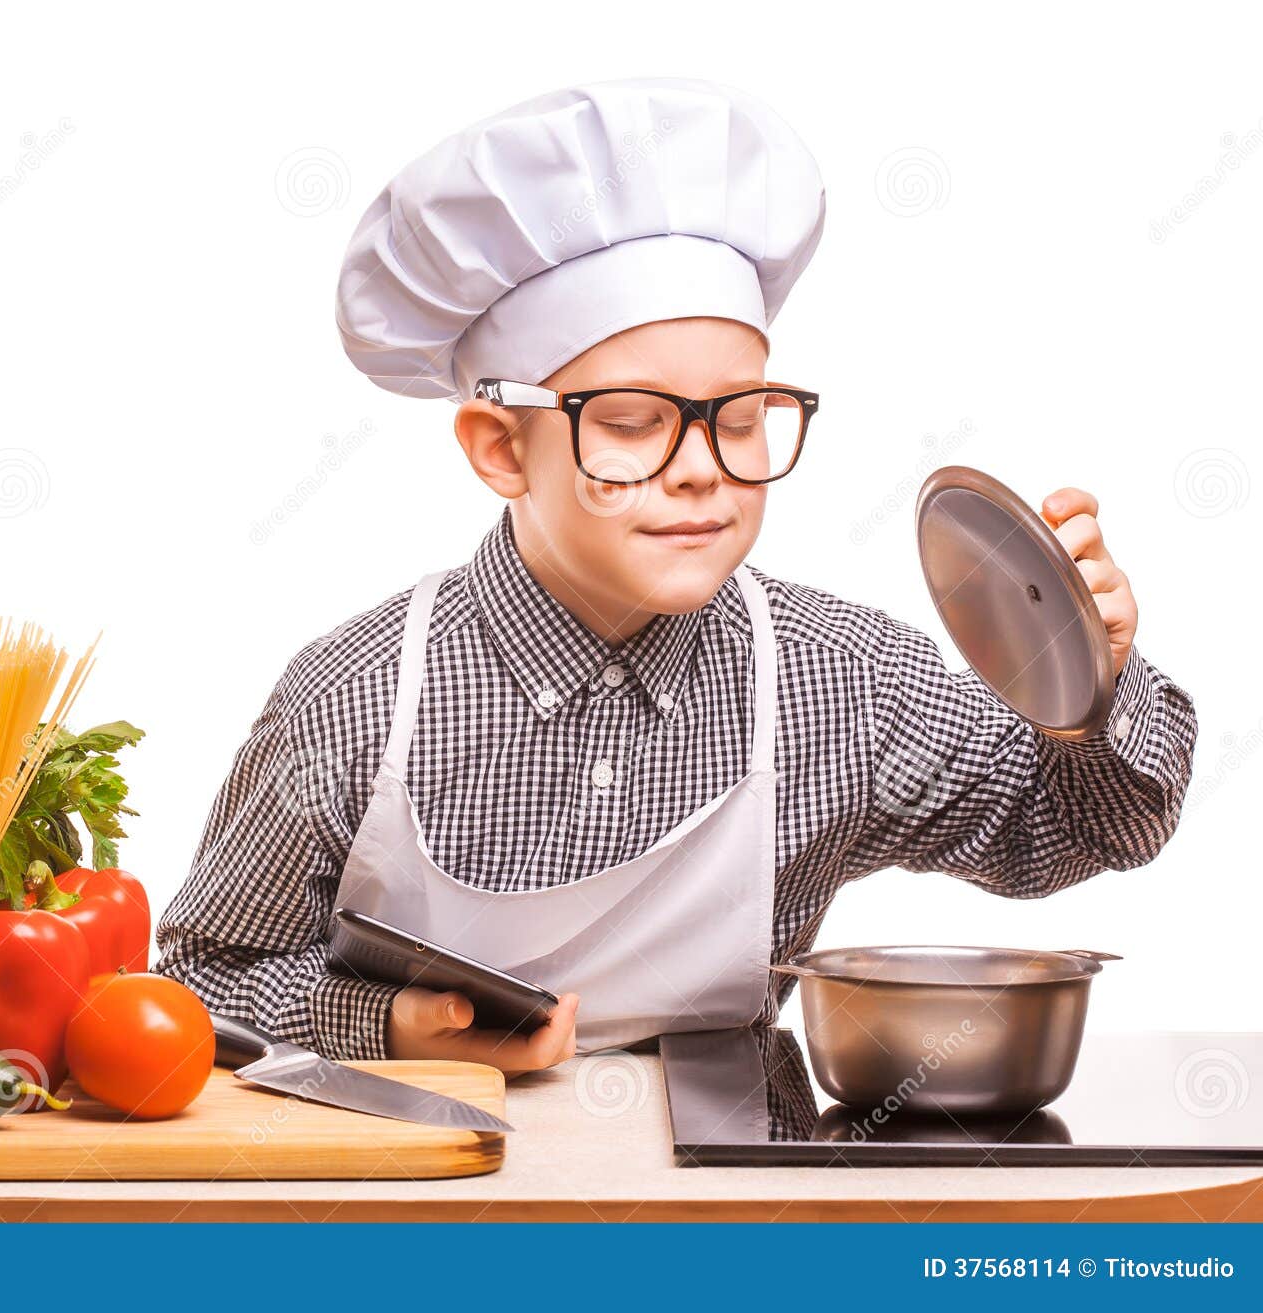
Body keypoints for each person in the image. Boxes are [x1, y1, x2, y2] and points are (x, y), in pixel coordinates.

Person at [154, 78, 1198, 1074]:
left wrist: (1085, 686)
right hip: (434, 1214)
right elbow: (201, 981)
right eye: (631, 423)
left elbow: (1081, 831)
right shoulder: (356, 698)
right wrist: (382, 1020)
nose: (701, 464)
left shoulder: (840, 682)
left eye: (739, 418)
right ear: (499, 448)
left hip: (723, 1220)